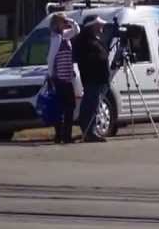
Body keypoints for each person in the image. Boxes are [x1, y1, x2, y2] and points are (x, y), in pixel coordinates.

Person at [74, 15, 111, 142]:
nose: (101, 27)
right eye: (98, 24)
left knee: (95, 104)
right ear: (91, 26)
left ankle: (91, 130)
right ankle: (89, 131)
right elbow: (90, 59)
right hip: (92, 78)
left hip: (100, 78)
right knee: (90, 104)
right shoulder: (85, 41)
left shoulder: (96, 39)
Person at [47, 14, 78, 144]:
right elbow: (50, 58)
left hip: (67, 77)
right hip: (60, 78)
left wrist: (69, 20)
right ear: (56, 24)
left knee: (67, 106)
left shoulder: (65, 36)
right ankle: (62, 135)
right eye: (62, 21)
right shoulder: (56, 38)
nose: (64, 23)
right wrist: (50, 75)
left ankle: (63, 134)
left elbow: (77, 30)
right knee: (65, 107)